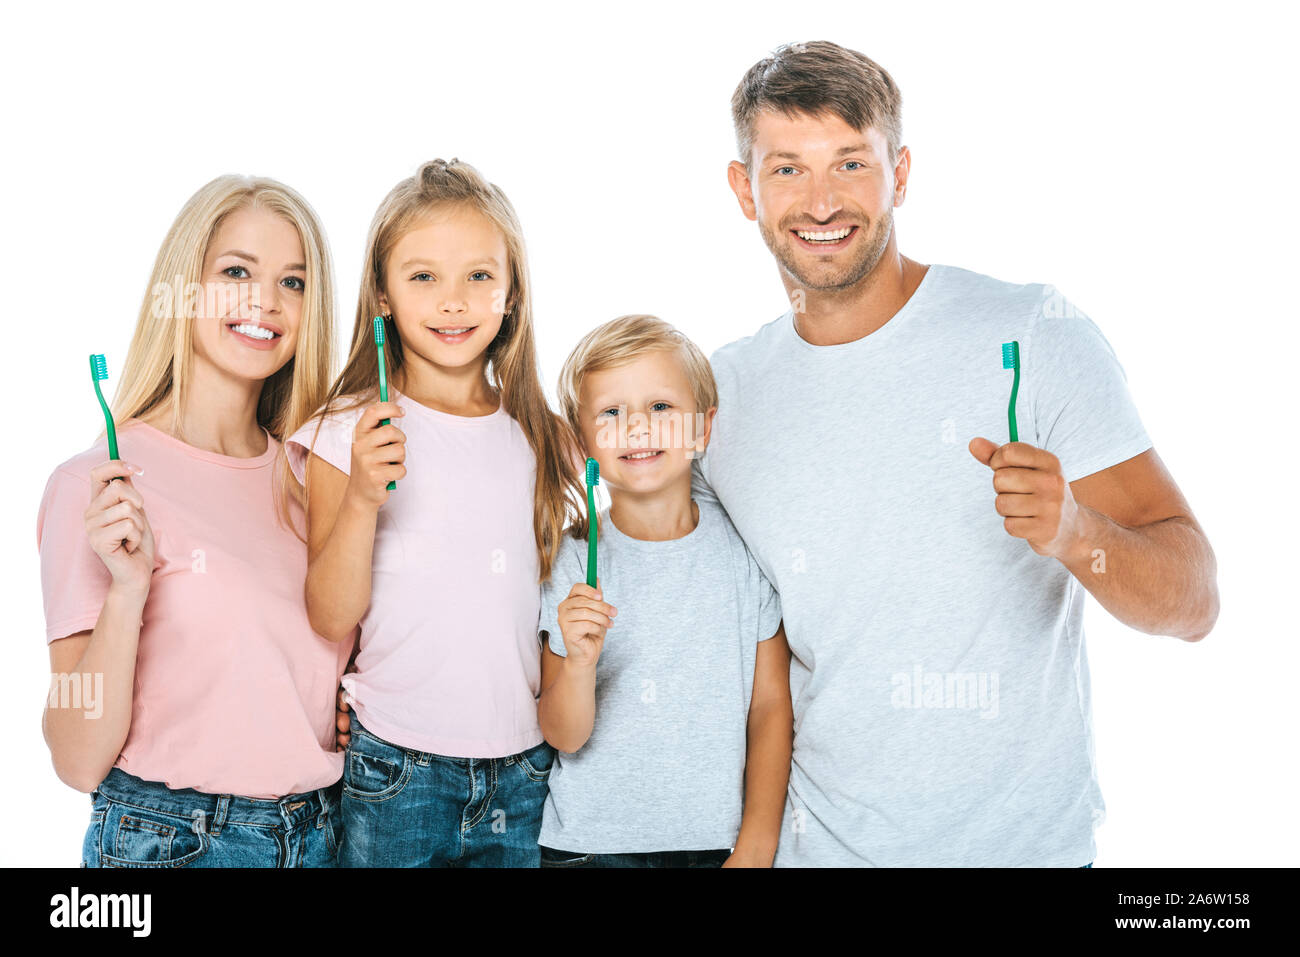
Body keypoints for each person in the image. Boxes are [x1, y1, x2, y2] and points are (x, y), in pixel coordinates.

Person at [694, 40, 1220, 866]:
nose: (821, 201)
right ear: (743, 189)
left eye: (851, 164)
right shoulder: (721, 396)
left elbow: (1195, 602)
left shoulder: (1032, 334)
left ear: (900, 174)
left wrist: (1075, 531)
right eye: (787, 169)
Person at [38, 174, 351, 867]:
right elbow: (76, 757)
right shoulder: (97, 484)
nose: (265, 301)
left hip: (328, 836)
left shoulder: (315, 482)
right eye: (237, 270)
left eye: (293, 283)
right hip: (175, 842)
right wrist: (126, 593)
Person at [288, 158, 581, 867]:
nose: (454, 301)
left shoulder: (541, 434)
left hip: (521, 768)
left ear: (512, 293)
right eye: (423, 276)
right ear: (382, 295)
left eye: (479, 276)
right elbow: (330, 614)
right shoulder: (347, 428)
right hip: (397, 766)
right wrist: (361, 495)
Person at [536, 315, 792, 867]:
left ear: (702, 429)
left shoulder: (743, 549)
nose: (637, 427)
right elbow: (564, 735)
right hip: (588, 849)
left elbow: (770, 708)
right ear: (582, 441)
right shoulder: (573, 560)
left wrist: (756, 844)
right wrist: (579, 666)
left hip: (716, 846)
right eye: (611, 412)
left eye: (660, 407)